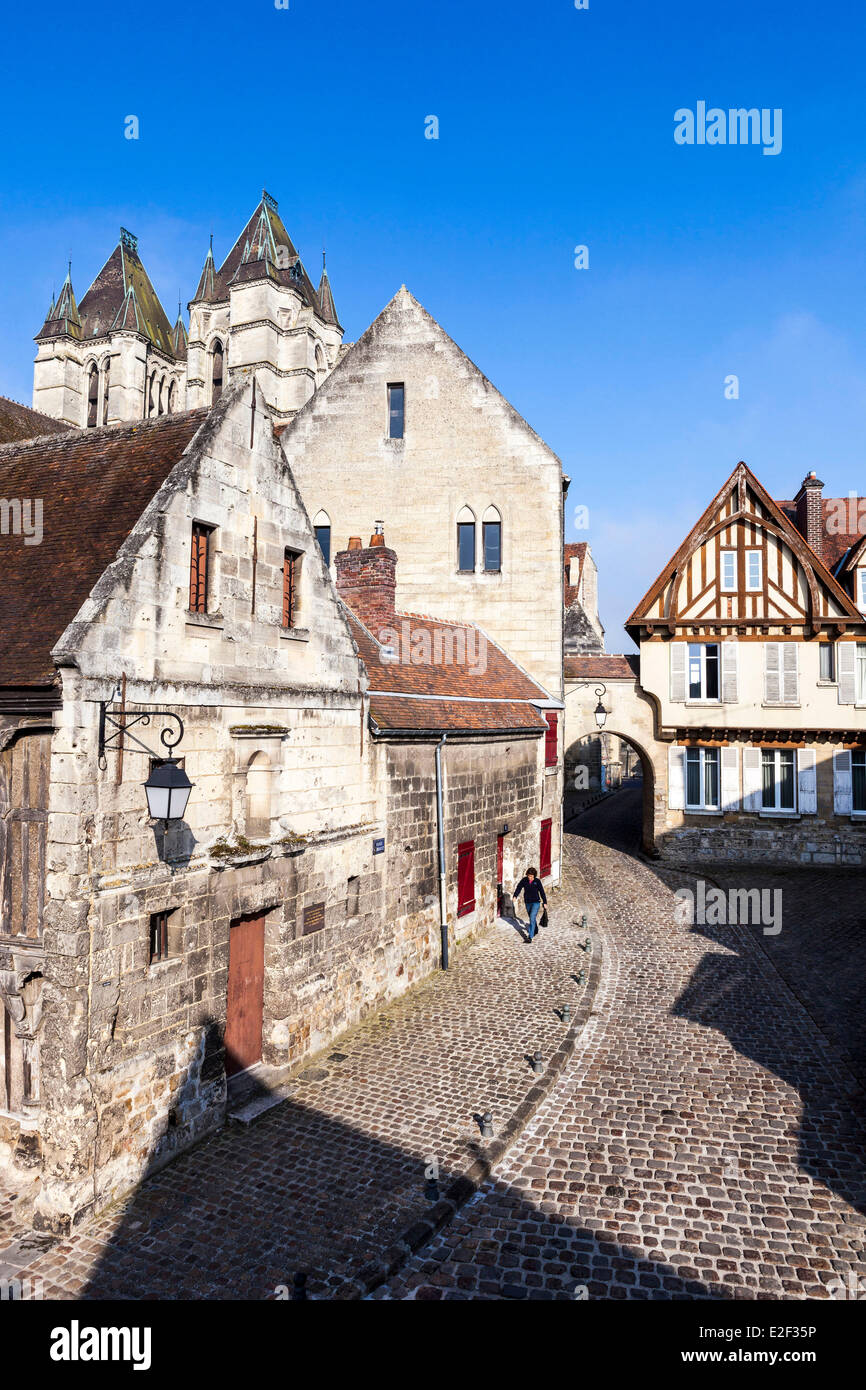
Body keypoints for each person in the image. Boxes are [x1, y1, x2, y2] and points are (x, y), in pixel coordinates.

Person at [513, 867, 547, 942]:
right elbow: (519, 887)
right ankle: (535, 928)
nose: (530, 878)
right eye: (528, 876)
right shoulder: (524, 880)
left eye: (531, 876)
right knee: (532, 917)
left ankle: (530, 937)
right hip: (527, 902)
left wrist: (545, 902)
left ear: (534, 876)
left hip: (536, 902)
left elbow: (542, 892)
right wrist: (515, 895)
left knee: (532, 917)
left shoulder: (537, 881)